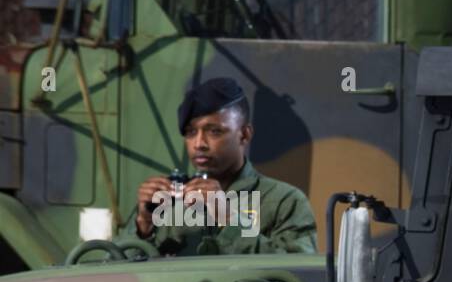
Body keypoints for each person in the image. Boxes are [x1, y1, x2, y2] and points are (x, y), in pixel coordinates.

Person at [124, 78, 316, 255]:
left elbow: (297, 272)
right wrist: (144, 224)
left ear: (245, 135)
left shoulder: (283, 201)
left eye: (215, 131)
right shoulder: (168, 201)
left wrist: (229, 220)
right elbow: (113, 267)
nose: (199, 143)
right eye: (191, 132)